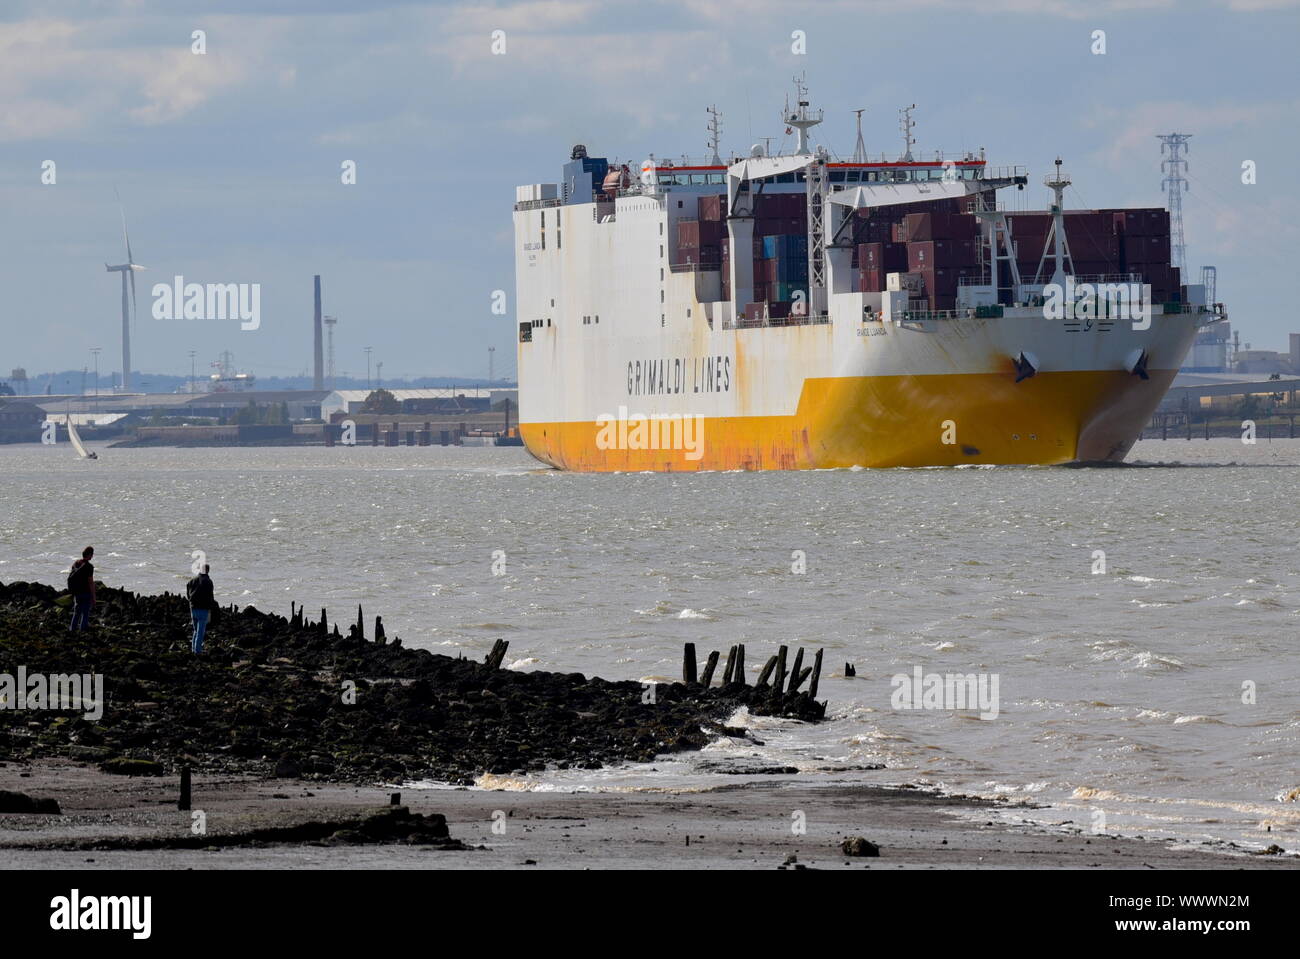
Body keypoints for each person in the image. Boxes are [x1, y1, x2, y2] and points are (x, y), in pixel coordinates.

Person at [186, 563, 216, 654]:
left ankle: (194, 649)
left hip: (193, 607)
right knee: (200, 631)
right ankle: (197, 651)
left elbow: (188, 591)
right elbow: (211, 597)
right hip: (203, 608)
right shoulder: (208, 581)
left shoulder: (192, 580)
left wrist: (190, 601)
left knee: (195, 630)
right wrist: (210, 609)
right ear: (207, 570)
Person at [67, 546, 96, 631]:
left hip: (77, 592)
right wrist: (94, 597)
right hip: (86, 592)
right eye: (92, 554)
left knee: (76, 612)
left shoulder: (76, 563)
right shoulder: (89, 566)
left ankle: (72, 629)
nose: (92, 556)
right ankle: (83, 629)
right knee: (85, 613)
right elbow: (90, 582)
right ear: (89, 555)